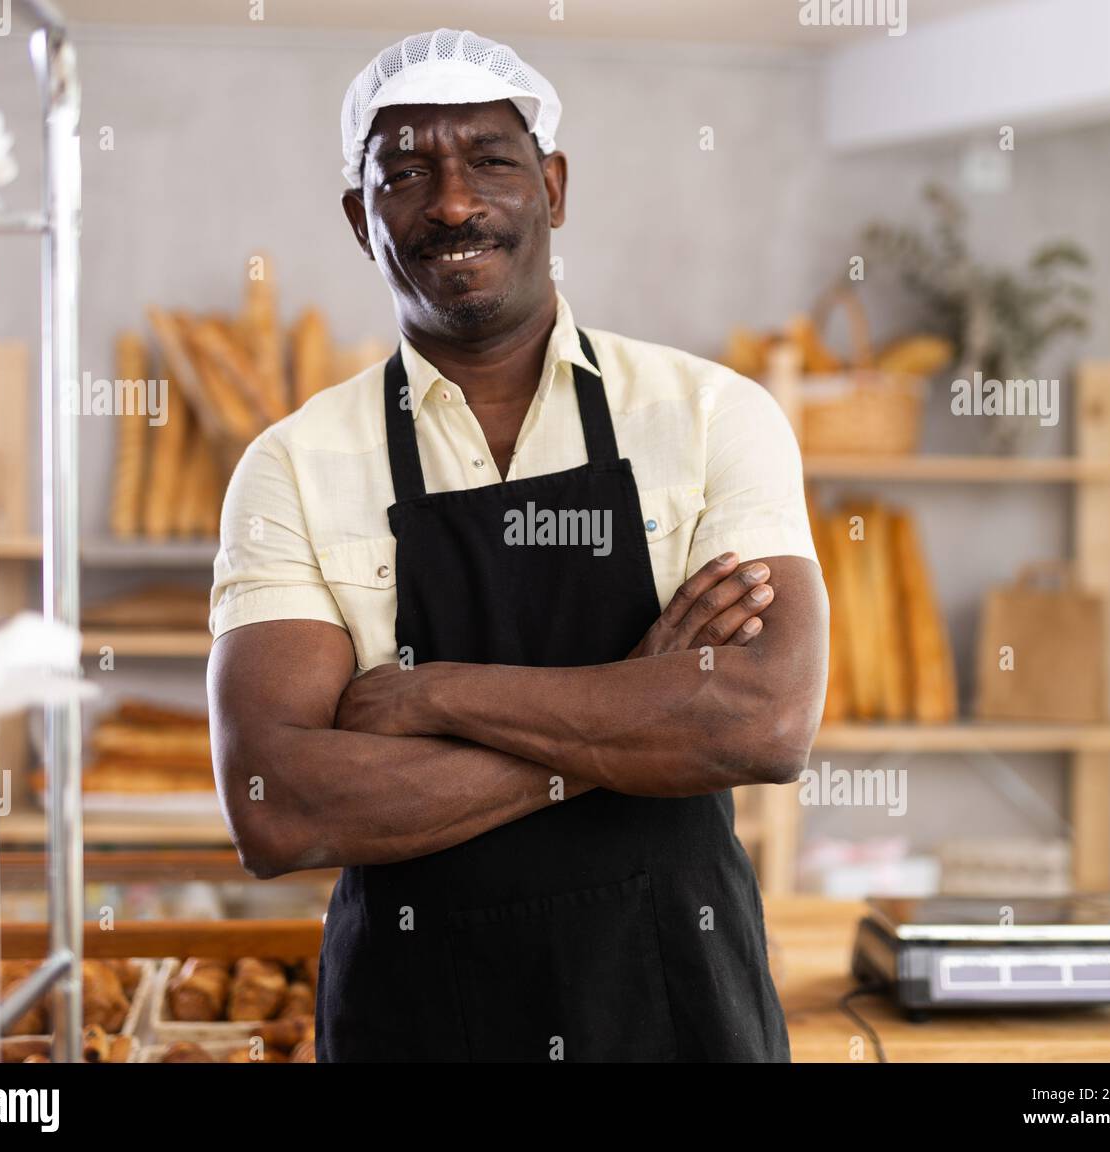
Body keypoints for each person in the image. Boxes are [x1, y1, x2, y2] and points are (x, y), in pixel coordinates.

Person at [208, 28, 829, 1063]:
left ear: (552, 186)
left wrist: (432, 695)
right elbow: (276, 806)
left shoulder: (712, 415)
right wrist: (638, 704)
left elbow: (762, 724)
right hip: (415, 1016)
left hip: (674, 1003)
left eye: (489, 160)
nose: (452, 203)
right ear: (363, 220)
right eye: (404, 172)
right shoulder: (292, 465)